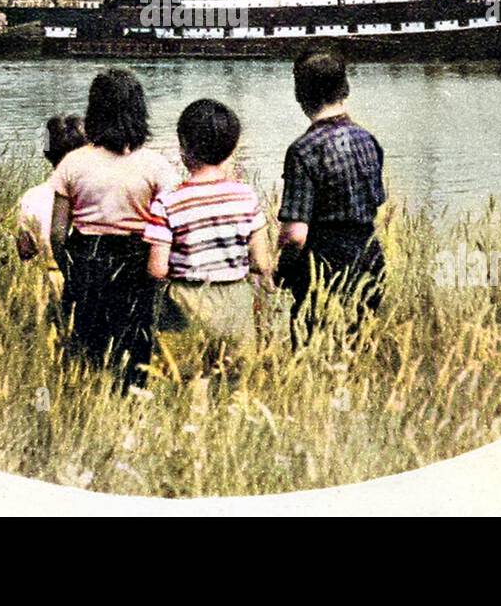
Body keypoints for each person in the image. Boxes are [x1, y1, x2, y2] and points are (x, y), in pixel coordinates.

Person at [48, 69, 178, 387]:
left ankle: (86, 400)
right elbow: (170, 226)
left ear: (94, 112)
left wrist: (69, 268)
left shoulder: (73, 162)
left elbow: (56, 232)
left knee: (86, 341)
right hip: (136, 258)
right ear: (139, 111)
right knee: (136, 340)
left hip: (87, 257)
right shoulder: (157, 165)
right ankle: (132, 400)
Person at [144, 99, 270, 380]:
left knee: (190, 382)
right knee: (235, 385)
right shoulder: (246, 196)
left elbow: (157, 269)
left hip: (187, 302)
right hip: (236, 301)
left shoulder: (168, 202)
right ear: (232, 148)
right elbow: (261, 261)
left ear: (183, 148)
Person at [276, 48, 387, 347]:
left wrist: (282, 270)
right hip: (369, 261)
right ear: (346, 88)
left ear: (300, 94)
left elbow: (295, 235)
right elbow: (375, 201)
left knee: (313, 353)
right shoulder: (368, 140)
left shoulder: (302, 151)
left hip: (323, 269)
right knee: (358, 349)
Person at [14, 114, 88, 299]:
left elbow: (25, 253)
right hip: (91, 287)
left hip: (50, 287)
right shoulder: (98, 193)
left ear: (48, 154)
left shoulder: (31, 198)